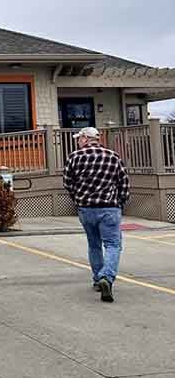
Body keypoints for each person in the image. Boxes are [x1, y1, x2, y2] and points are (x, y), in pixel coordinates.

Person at [63, 126, 130, 303]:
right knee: (113, 245)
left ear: (85, 138)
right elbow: (123, 182)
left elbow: (68, 182)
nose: (78, 141)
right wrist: (121, 203)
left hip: (86, 208)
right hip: (109, 207)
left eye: (79, 138)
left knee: (94, 245)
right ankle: (107, 277)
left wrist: (78, 200)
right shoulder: (113, 156)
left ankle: (97, 279)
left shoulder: (74, 157)